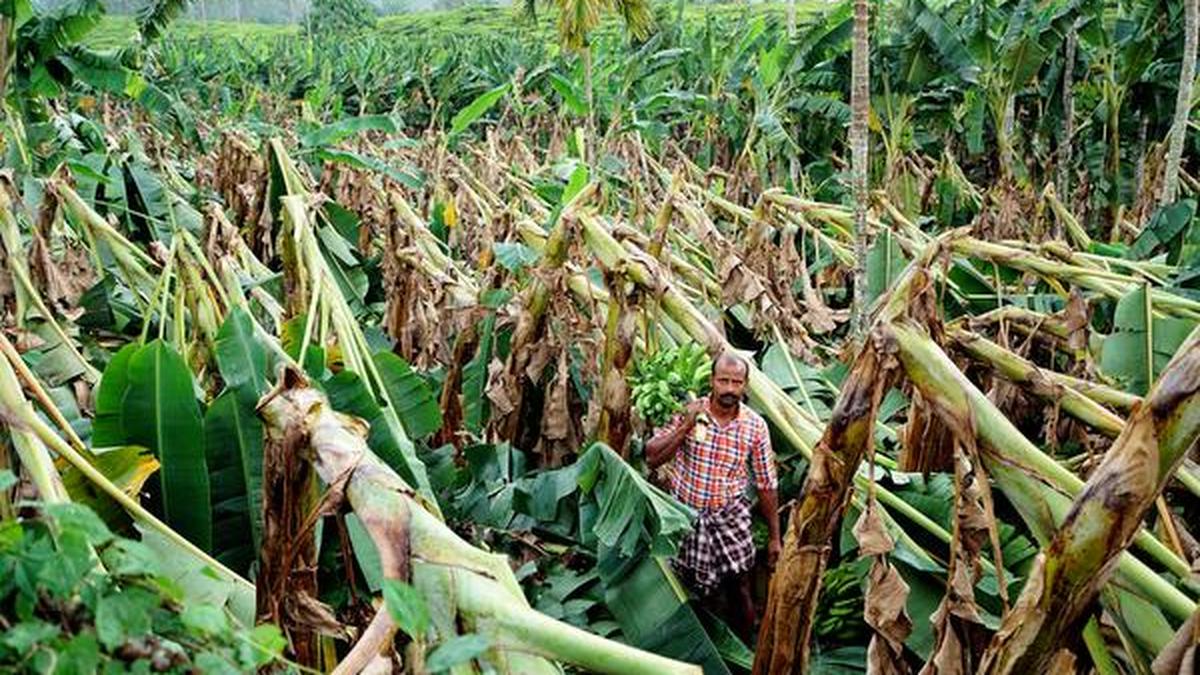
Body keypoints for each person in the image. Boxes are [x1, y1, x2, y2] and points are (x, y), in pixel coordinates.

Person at [645, 351, 781, 639]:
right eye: (724, 381)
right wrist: (686, 425)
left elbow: (767, 483)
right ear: (712, 381)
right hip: (685, 514)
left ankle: (746, 646)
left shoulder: (754, 426)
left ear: (745, 385)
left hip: (729, 516)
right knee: (686, 584)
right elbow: (652, 458)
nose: (730, 389)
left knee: (739, 584)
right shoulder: (687, 411)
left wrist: (774, 537)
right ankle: (696, 641)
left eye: (737, 382)